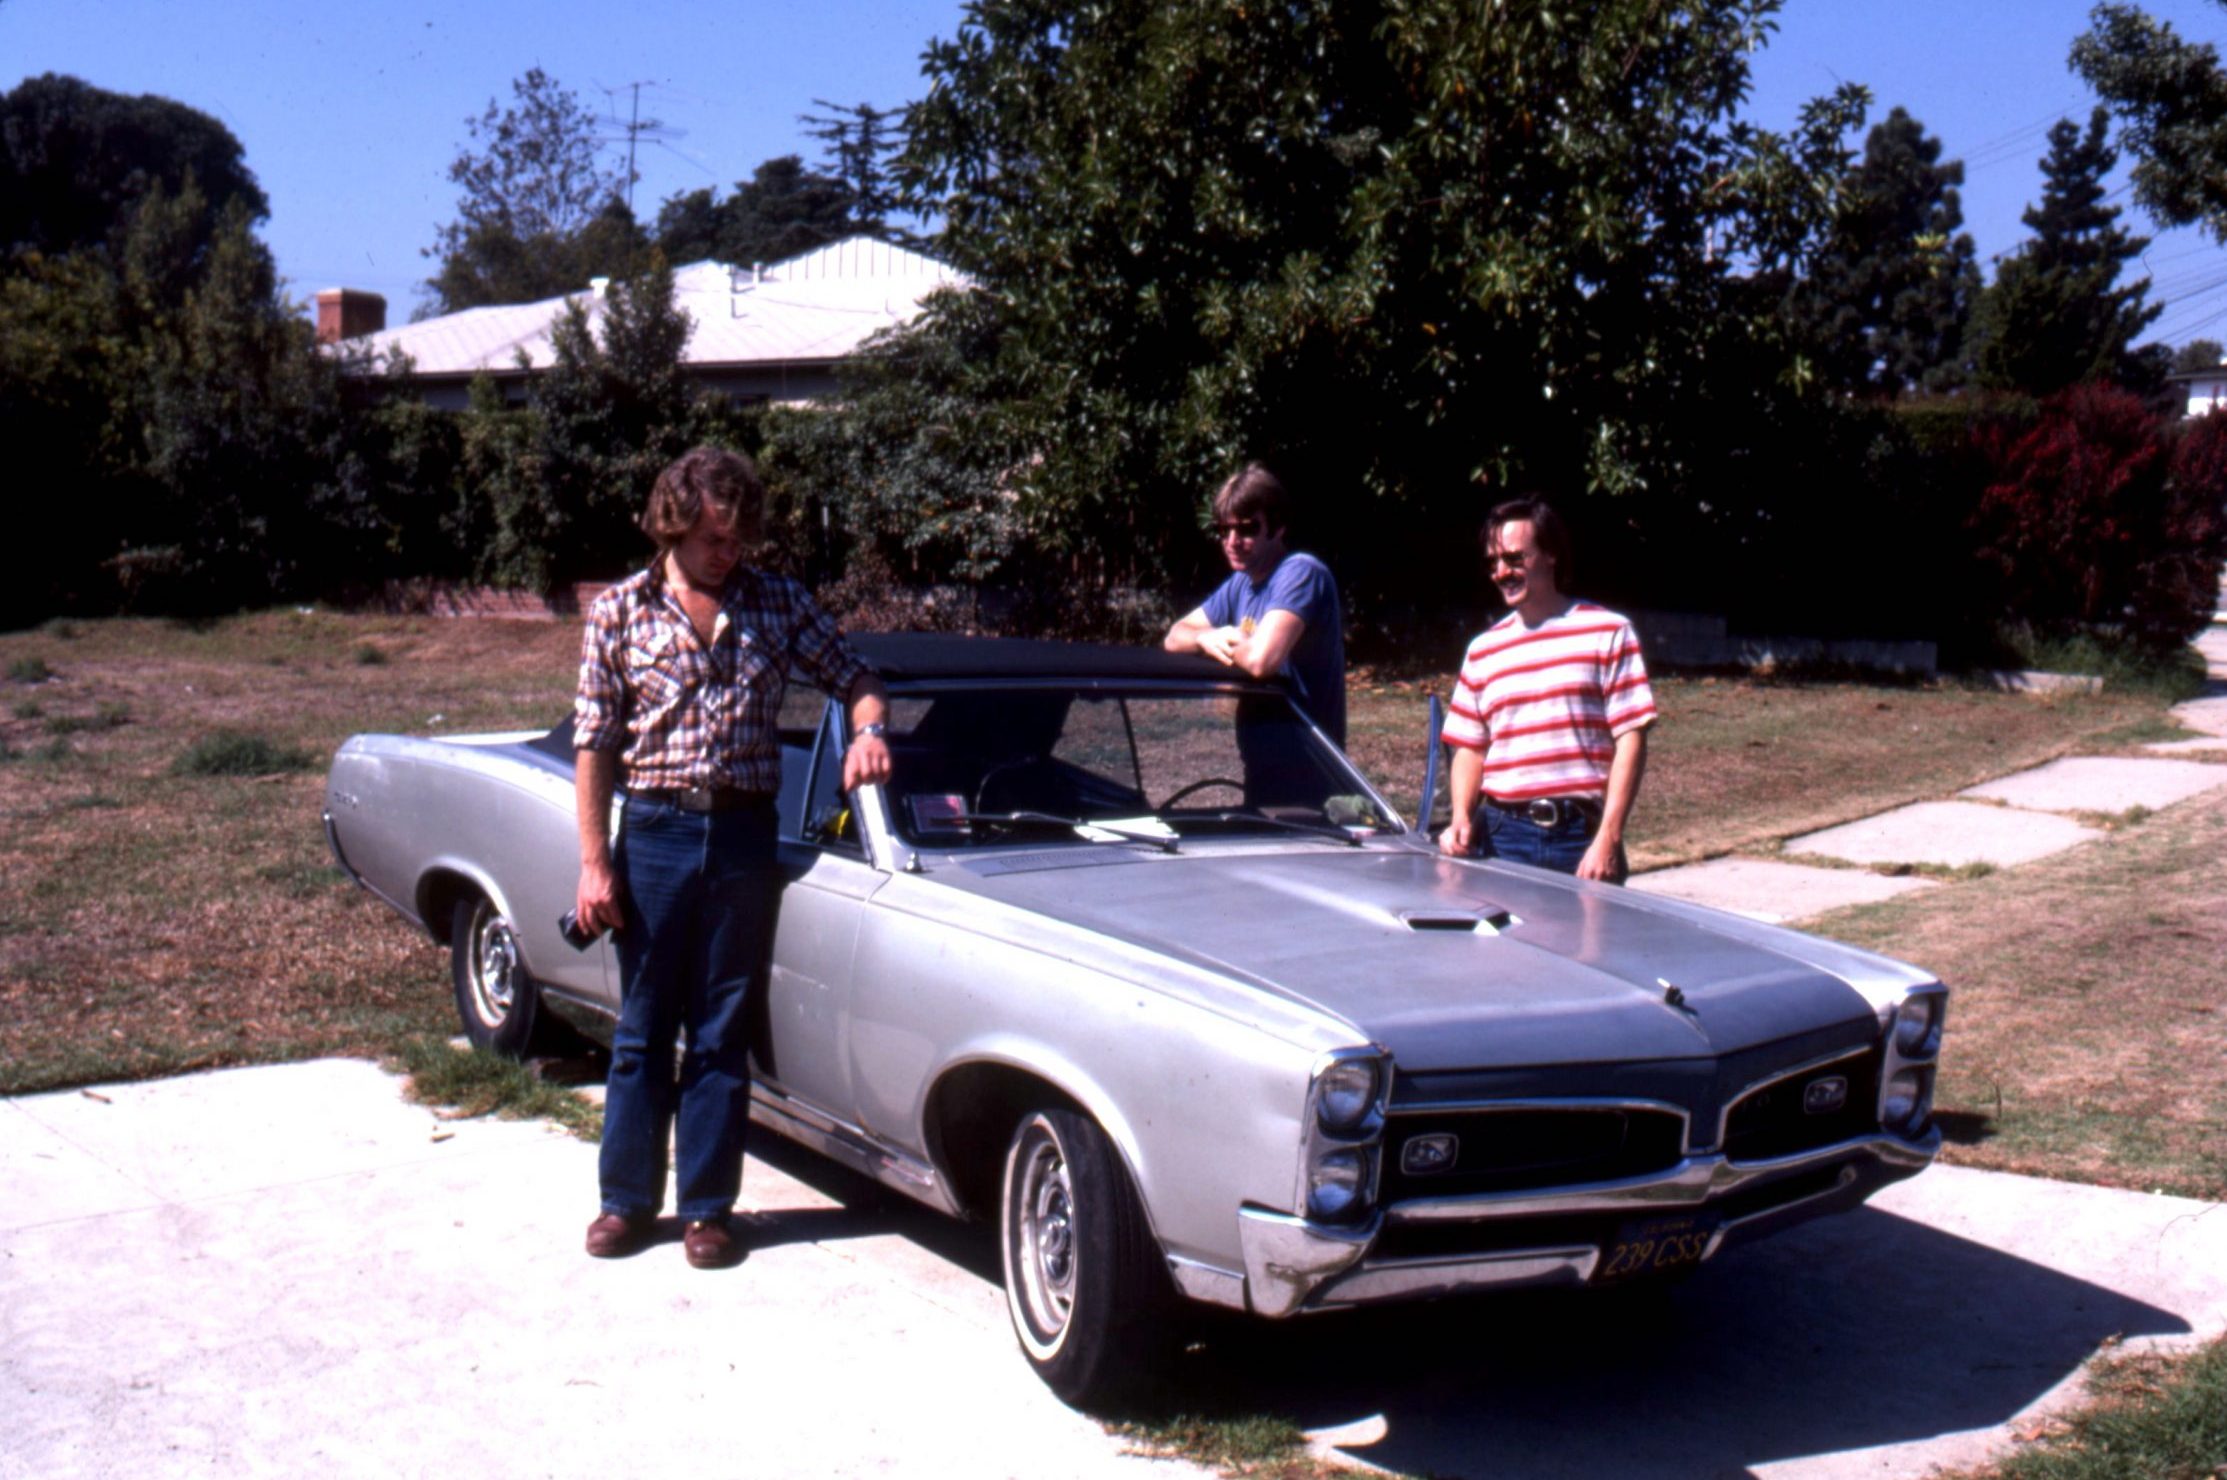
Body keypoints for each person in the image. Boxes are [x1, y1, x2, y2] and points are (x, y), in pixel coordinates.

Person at [572, 446, 891, 1268]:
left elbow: (856, 676)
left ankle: (707, 1210)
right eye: (713, 537)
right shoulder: (619, 612)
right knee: (644, 1025)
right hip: (656, 833)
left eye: (739, 537)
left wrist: (867, 730)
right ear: (672, 526)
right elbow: (594, 743)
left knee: (720, 1028)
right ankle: (624, 1203)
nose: (729, 552)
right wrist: (594, 863)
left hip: (745, 837)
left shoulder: (777, 601)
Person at [1437, 497, 1655, 882]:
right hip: (1502, 839)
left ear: (1551, 554)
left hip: (1581, 839)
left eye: (1514, 559)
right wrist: (1460, 817)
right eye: (1493, 562)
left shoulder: (1608, 632)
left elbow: (1631, 739)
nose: (1501, 572)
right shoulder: (1483, 650)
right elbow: (1470, 748)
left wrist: (1608, 836)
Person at [1162, 462, 1346, 746]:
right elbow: (1174, 637)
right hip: (1261, 761)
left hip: (1310, 762)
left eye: (1247, 529)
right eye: (1223, 530)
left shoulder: (1301, 573)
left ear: (1278, 527)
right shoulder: (1241, 582)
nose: (1232, 542)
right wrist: (1206, 638)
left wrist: (1223, 643)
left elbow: (1261, 661)